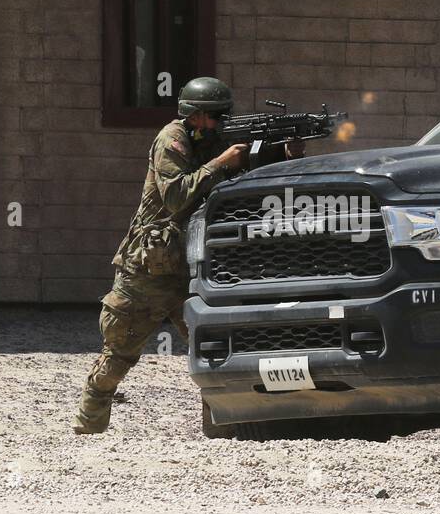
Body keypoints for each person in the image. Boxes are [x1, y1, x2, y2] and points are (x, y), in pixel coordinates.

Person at [74, 77, 301, 435]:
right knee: (120, 352)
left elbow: (244, 179)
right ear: (195, 116)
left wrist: (282, 155)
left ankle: (227, 427)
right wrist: (222, 162)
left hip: (195, 267)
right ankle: (87, 428)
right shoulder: (172, 139)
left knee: (213, 351)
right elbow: (176, 196)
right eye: (215, 116)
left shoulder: (209, 141)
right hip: (149, 266)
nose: (221, 123)